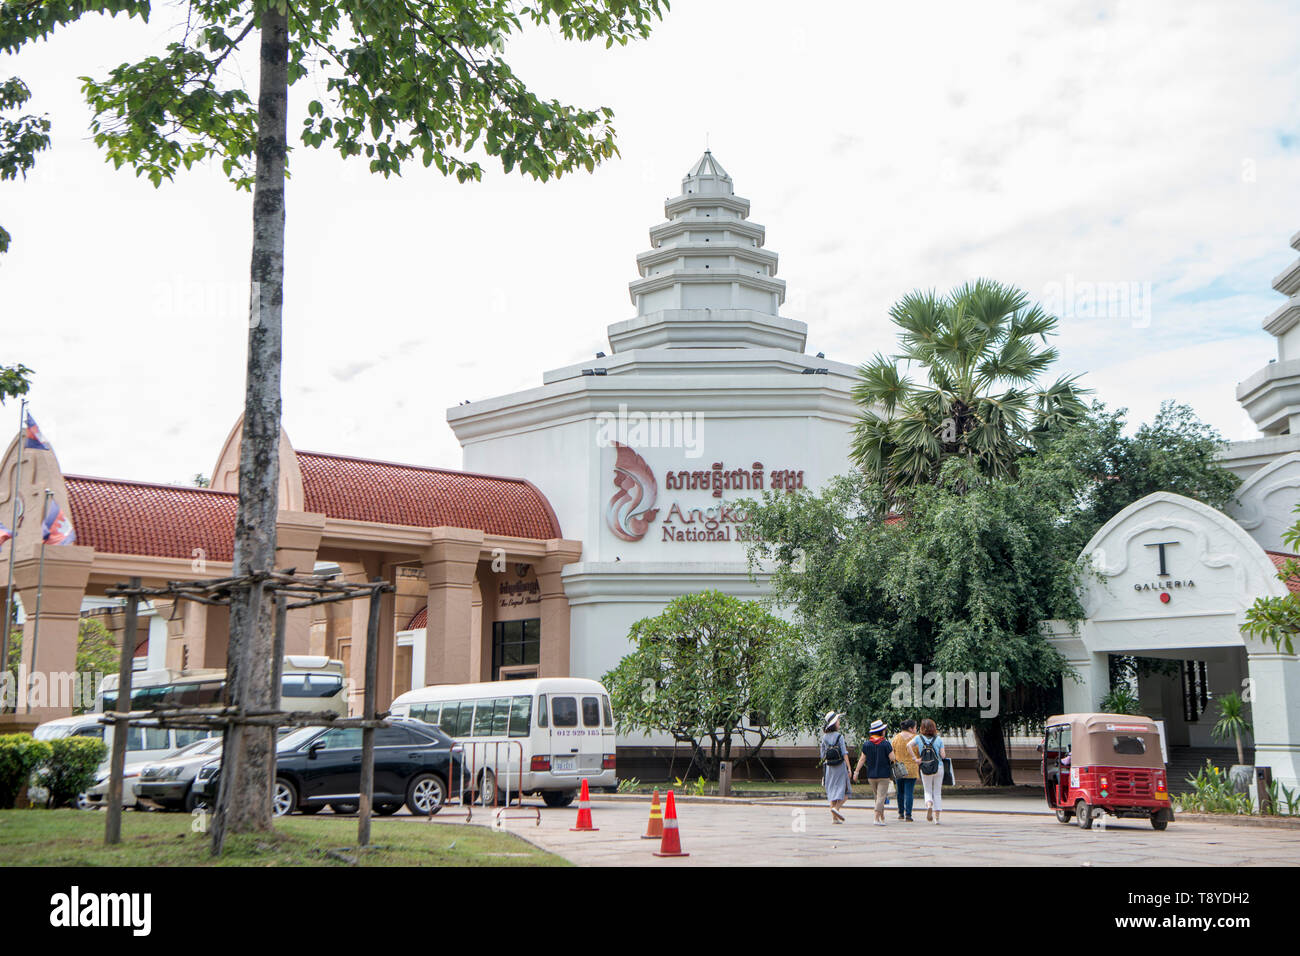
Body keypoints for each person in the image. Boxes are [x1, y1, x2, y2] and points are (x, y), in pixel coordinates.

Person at [852, 718, 896, 826]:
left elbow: (862, 759)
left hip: (871, 775)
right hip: (883, 775)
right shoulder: (886, 744)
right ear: (881, 731)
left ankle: (882, 817)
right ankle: (876, 818)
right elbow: (892, 758)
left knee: (877, 797)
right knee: (881, 797)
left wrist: (856, 772)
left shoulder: (867, 744)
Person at [908, 718, 947, 824]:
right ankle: (937, 818)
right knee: (937, 792)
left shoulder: (918, 738)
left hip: (925, 767)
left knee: (927, 790)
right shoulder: (938, 739)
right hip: (938, 767)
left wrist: (916, 759)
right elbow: (943, 755)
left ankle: (929, 805)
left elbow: (908, 745)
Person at [819, 711, 852, 823]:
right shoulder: (839, 737)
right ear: (834, 724)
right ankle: (836, 809)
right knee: (846, 791)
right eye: (838, 721)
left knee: (832, 791)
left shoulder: (824, 738)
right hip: (840, 766)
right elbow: (844, 753)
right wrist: (849, 768)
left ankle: (834, 819)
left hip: (829, 768)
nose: (839, 722)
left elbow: (822, 755)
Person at [890, 719, 919, 822]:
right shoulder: (916, 738)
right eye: (915, 727)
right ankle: (908, 815)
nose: (916, 729)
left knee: (900, 792)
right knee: (909, 792)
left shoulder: (896, 738)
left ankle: (901, 813)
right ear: (910, 728)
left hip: (899, 768)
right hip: (912, 768)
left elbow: (892, 753)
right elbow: (920, 752)